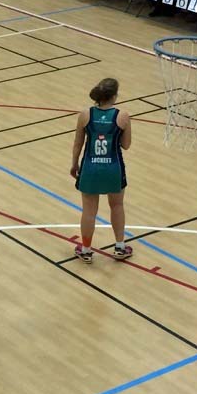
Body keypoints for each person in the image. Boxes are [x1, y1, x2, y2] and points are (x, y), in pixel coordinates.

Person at [70, 78, 133, 264]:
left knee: (89, 211)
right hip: (113, 168)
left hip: (90, 168)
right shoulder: (123, 116)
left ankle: (86, 250)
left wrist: (74, 164)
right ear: (114, 96)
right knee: (117, 206)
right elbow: (126, 145)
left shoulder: (85, 114)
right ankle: (120, 247)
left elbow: (78, 144)